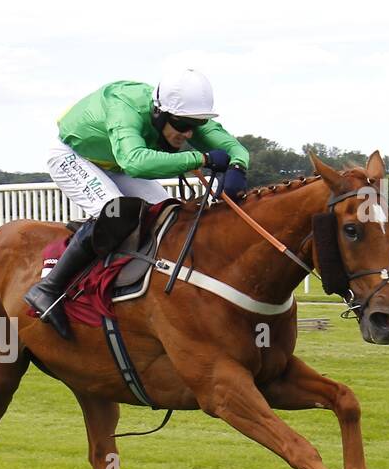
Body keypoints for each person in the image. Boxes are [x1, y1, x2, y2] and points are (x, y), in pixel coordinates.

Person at [24, 69, 251, 338]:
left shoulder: (183, 115)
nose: (188, 133)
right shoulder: (125, 108)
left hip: (115, 162)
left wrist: (238, 167)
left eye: (196, 125)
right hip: (74, 156)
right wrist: (201, 160)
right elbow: (136, 162)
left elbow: (234, 148)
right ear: (159, 113)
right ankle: (48, 288)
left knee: (171, 214)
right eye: (181, 125)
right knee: (117, 211)